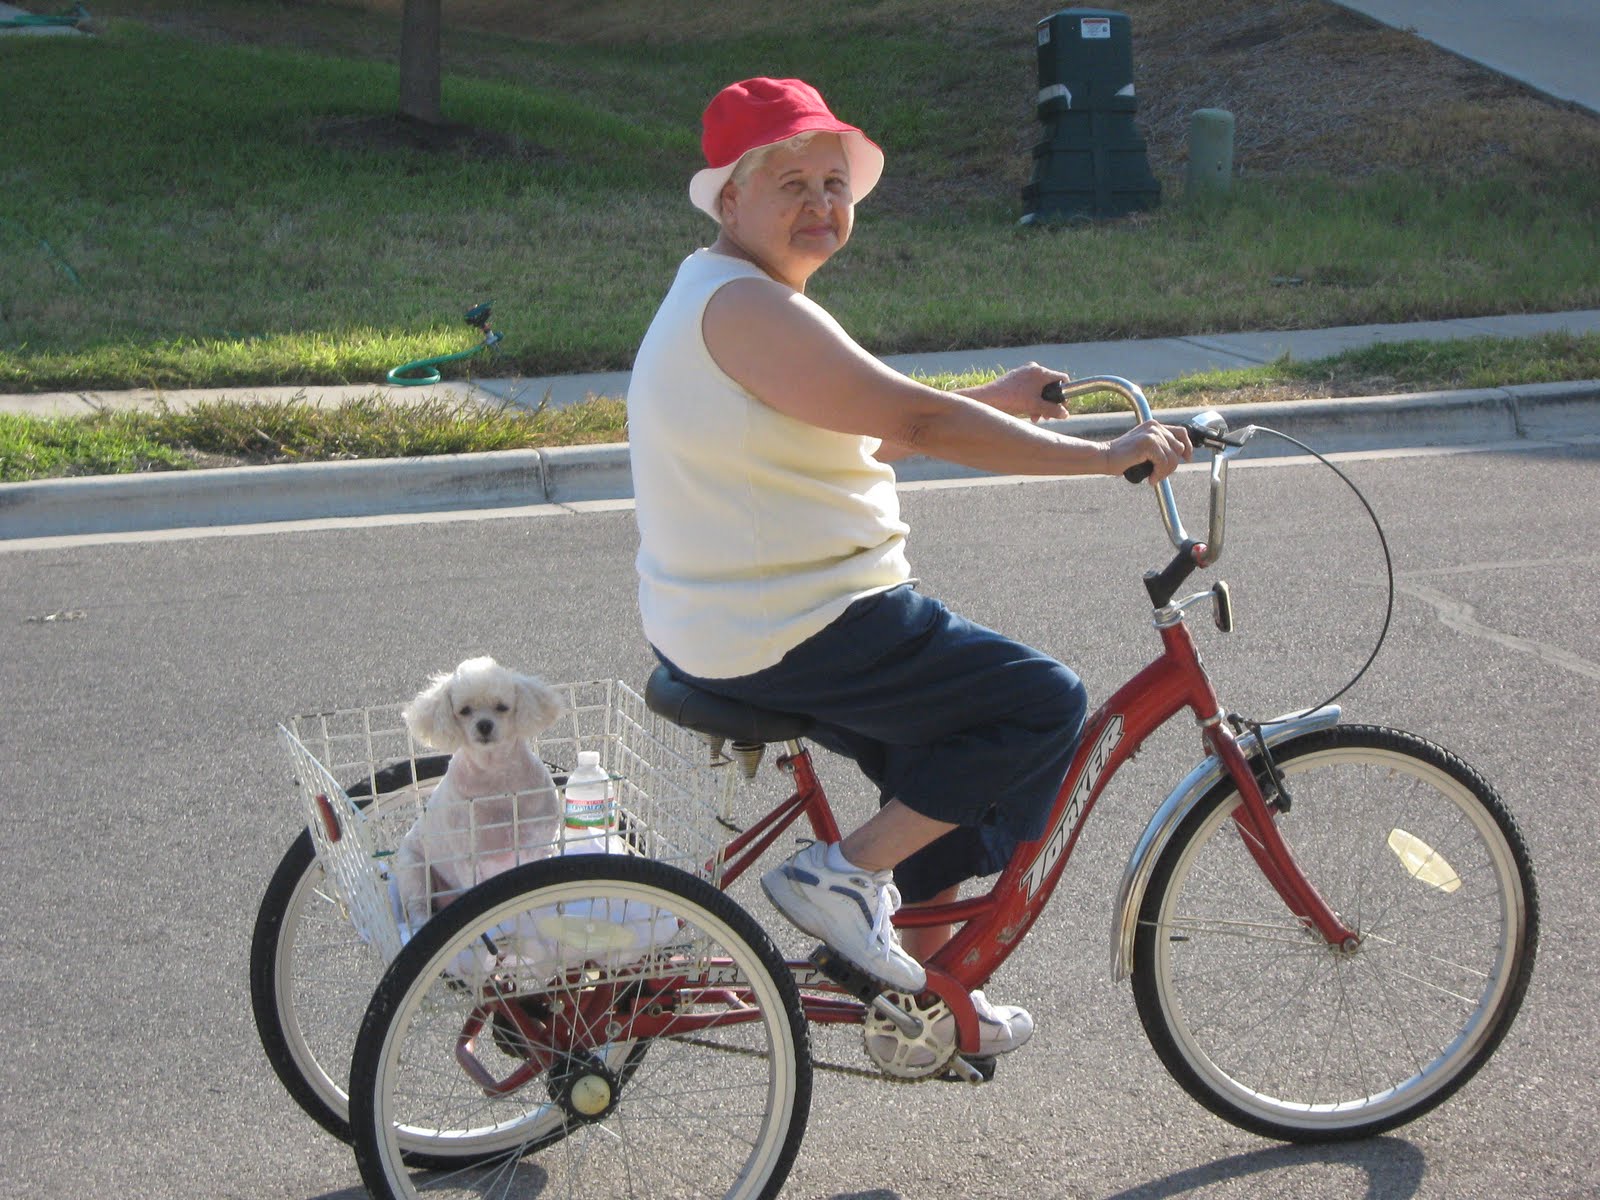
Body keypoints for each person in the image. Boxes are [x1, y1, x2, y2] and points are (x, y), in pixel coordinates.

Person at [627, 77, 1189, 1057]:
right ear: (729, 198)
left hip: (754, 614)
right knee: (1040, 704)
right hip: (794, 620)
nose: (820, 205)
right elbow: (912, 419)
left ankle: (921, 1010)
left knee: (942, 777)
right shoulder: (749, 308)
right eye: (790, 181)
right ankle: (837, 877)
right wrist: (1105, 457)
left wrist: (998, 400)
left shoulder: (727, 297)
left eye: (835, 184)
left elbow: (846, 437)